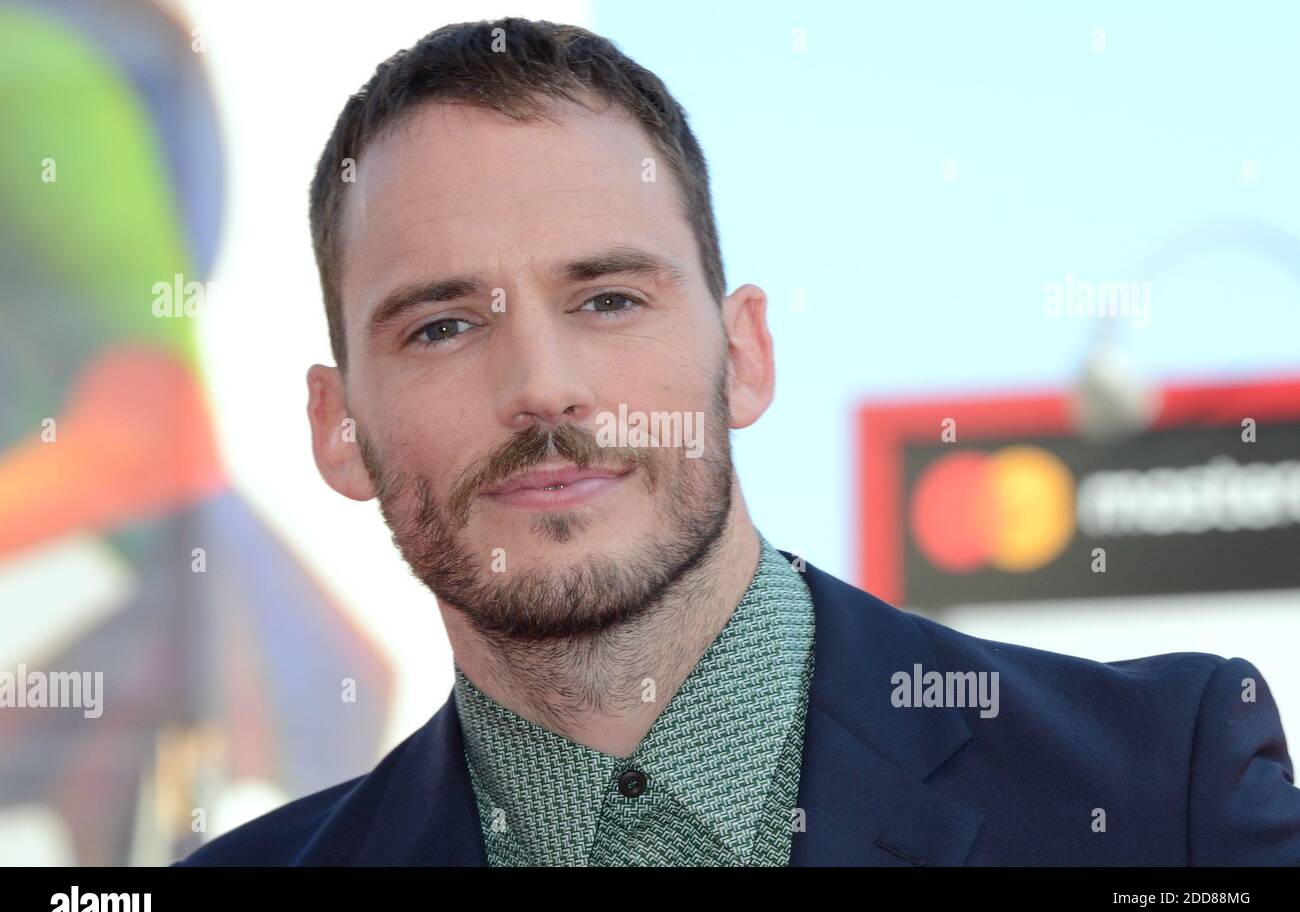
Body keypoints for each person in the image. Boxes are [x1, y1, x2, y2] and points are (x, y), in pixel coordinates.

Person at [176, 16, 1300, 866]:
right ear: (337, 427)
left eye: (608, 298)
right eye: (444, 324)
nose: (543, 386)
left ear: (744, 354)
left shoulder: (1164, 791)